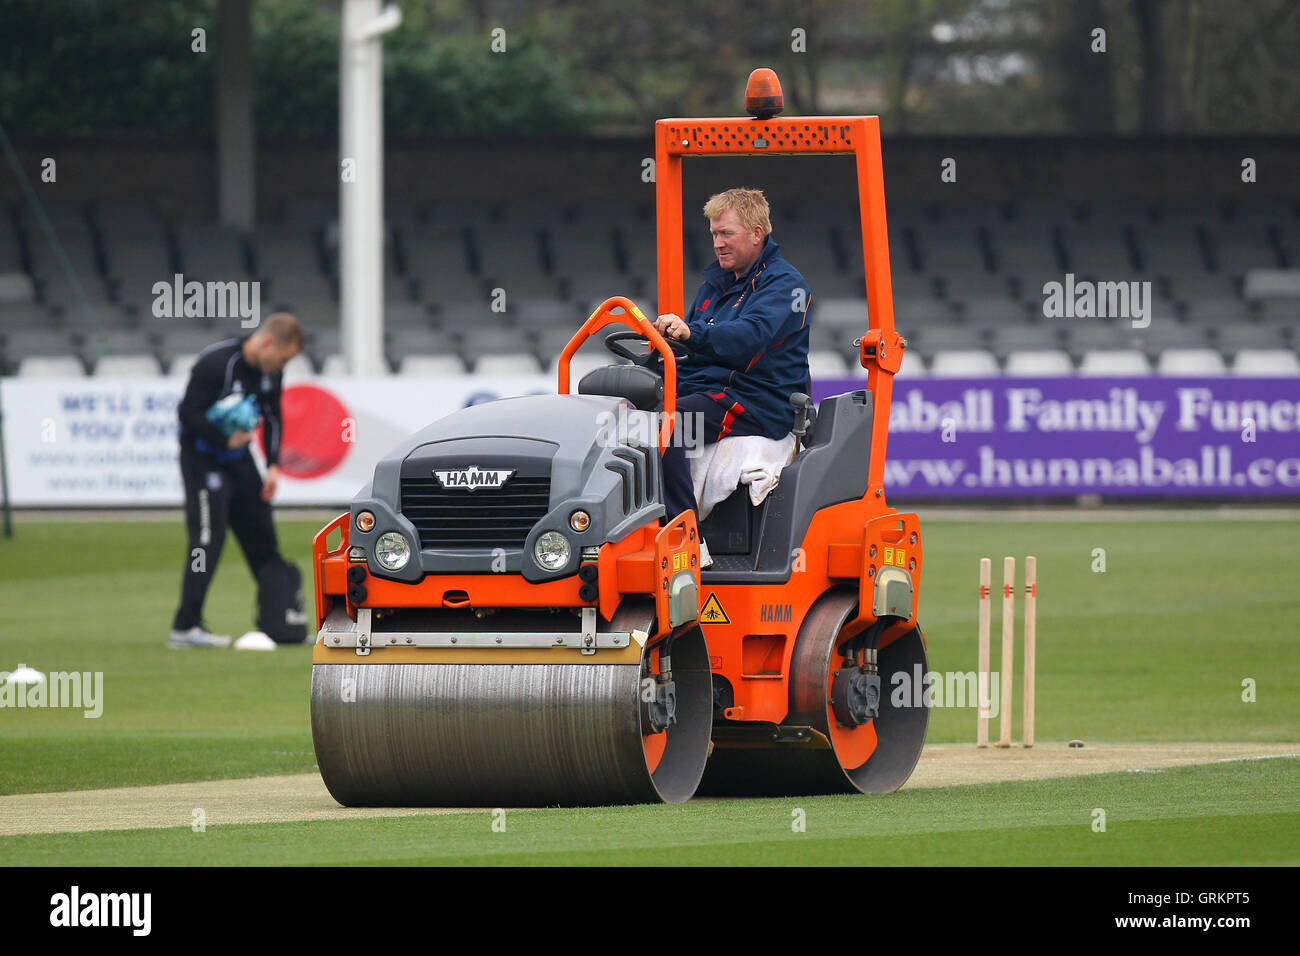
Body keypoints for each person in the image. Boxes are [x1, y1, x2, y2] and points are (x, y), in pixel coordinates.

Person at [654, 188, 811, 546]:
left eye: (726, 233)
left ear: (757, 234)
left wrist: (691, 332)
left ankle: (683, 540)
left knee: (672, 424)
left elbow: (748, 338)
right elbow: (694, 352)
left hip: (758, 400)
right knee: (624, 415)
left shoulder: (786, 286)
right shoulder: (714, 287)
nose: (718, 243)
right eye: (713, 234)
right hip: (713, 390)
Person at [169, 313, 304, 647]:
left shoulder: (272, 374)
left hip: (240, 463)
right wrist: (222, 439)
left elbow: (273, 416)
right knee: (206, 542)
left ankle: (280, 621)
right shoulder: (217, 364)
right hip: (203, 462)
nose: (282, 365)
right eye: (283, 358)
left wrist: (273, 465)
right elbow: (188, 414)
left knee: (262, 535)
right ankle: (186, 627)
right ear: (268, 342)